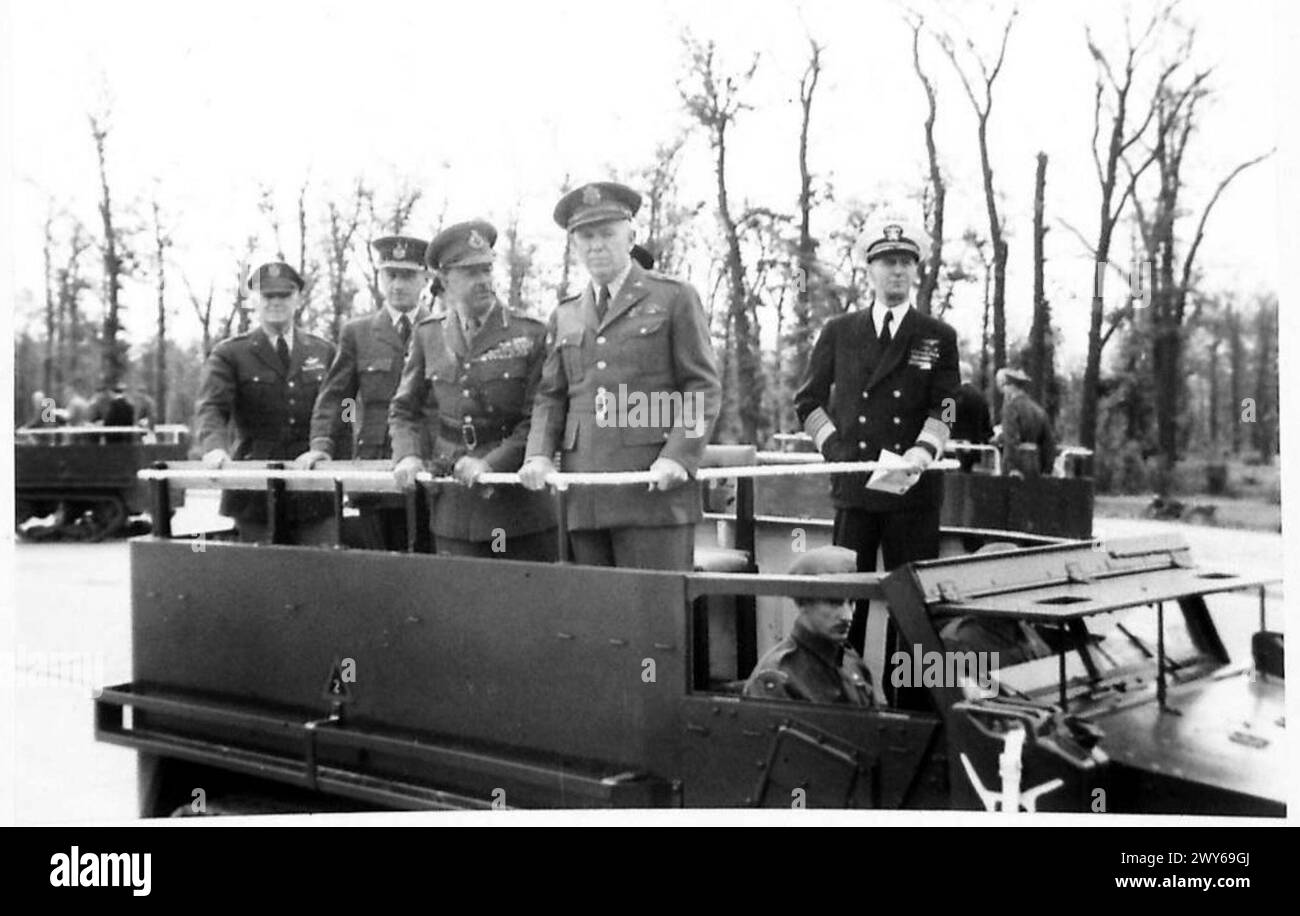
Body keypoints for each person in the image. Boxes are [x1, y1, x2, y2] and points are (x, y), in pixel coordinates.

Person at [518, 181, 722, 570]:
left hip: (652, 492)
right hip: (584, 495)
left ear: (630, 236)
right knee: (594, 621)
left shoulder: (673, 297)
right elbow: (550, 396)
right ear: (574, 245)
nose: (596, 245)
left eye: (607, 234)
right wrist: (539, 456)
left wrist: (678, 457)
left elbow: (702, 386)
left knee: (655, 619)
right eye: (585, 236)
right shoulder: (566, 313)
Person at [793, 219, 959, 665]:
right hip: (856, 488)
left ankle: (911, 703)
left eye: (905, 262)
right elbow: (807, 400)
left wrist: (923, 451)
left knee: (915, 609)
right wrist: (836, 450)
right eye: (888, 262)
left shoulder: (937, 336)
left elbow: (946, 405)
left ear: (916, 271)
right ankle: (844, 688)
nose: (897, 272)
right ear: (870, 270)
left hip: (913, 490)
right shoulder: (839, 331)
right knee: (846, 602)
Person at [389, 220, 556, 560]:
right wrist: (407, 454)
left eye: (486, 270)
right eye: (470, 273)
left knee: (522, 602)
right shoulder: (428, 335)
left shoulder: (530, 333)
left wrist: (492, 463)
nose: (483, 281)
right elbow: (405, 409)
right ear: (445, 280)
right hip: (454, 505)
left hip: (516, 506)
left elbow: (539, 415)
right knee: (461, 602)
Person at [297, 234, 433, 550]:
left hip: (427, 462)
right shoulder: (358, 333)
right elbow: (340, 396)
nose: (397, 284)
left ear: (425, 278)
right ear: (380, 277)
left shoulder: (442, 328)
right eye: (390, 275)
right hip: (376, 465)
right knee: (379, 562)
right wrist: (323, 444)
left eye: (408, 275)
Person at [195, 260, 340, 544]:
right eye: (267, 296)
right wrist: (214, 448)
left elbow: (346, 404)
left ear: (297, 298)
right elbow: (211, 407)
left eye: (284, 295)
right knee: (261, 574)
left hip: (313, 479)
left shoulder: (324, 351)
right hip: (254, 482)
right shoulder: (231, 354)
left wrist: (338, 450)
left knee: (321, 570)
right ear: (253, 302)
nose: (276, 302)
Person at [744, 546, 876, 706]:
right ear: (804, 602)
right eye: (834, 602)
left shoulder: (853, 664)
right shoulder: (778, 677)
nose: (847, 616)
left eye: (852, 602)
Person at [994, 367, 1056, 476]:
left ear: (1012, 387)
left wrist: (1012, 467)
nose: (1004, 390)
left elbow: (1011, 439)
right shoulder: (1038, 409)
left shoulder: (1011, 408)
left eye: (1005, 386)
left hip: (1017, 467)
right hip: (1036, 465)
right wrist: (1047, 469)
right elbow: (1048, 443)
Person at [950, 361, 994, 472]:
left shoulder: (950, 395)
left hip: (953, 449)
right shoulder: (981, 397)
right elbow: (986, 426)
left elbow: (946, 421)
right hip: (975, 448)